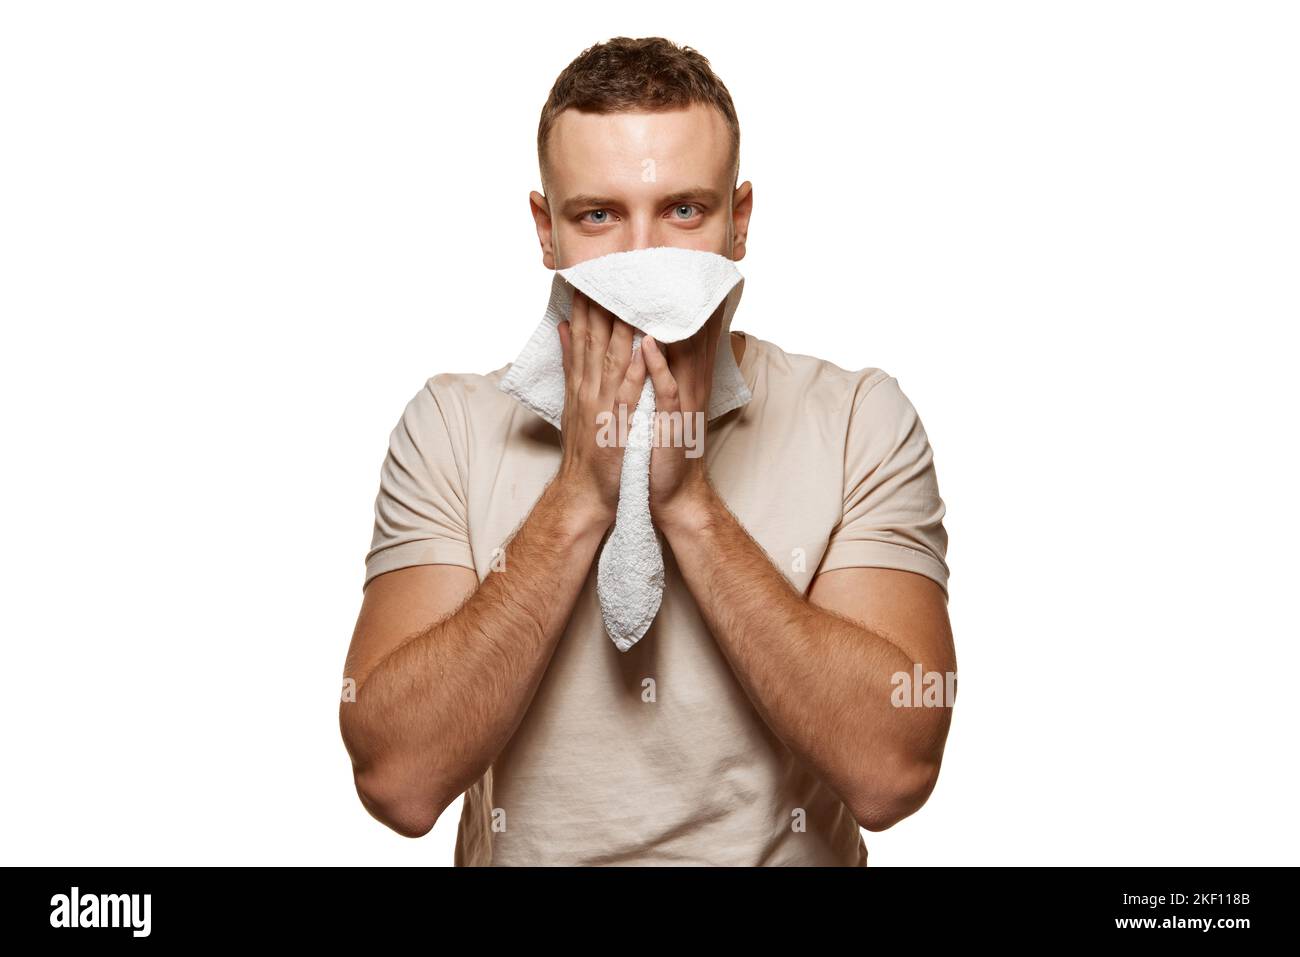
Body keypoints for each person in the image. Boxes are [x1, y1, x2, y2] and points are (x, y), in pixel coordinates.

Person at [339, 36, 956, 866]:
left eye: (683, 211)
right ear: (545, 231)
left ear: (739, 222)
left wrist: (689, 504)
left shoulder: (856, 420)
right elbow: (397, 784)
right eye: (599, 215)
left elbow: (893, 773)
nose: (642, 261)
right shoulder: (450, 427)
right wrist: (579, 499)